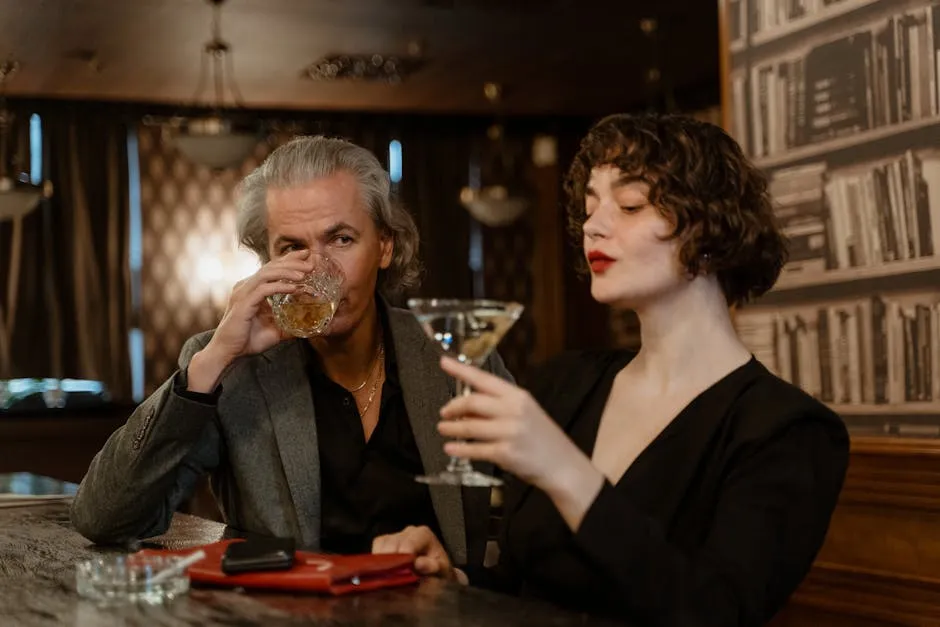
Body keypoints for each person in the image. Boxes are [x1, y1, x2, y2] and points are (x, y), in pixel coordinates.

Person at [372, 114, 850, 626]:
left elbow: (716, 611)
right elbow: (523, 584)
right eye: (589, 207)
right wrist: (455, 578)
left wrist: (565, 471)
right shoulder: (567, 383)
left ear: (711, 228)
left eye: (630, 205)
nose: (593, 226)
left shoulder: (788, 431)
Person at [70, 135, 511, 569]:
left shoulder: (457, 355)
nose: (316, 269)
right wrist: (211, 363)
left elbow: (535, 511)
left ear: (384, 246)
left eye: (341, 239)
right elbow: (104, 519)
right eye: (293, 247)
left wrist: (460, 578)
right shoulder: (229, 368)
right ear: (267, 262)